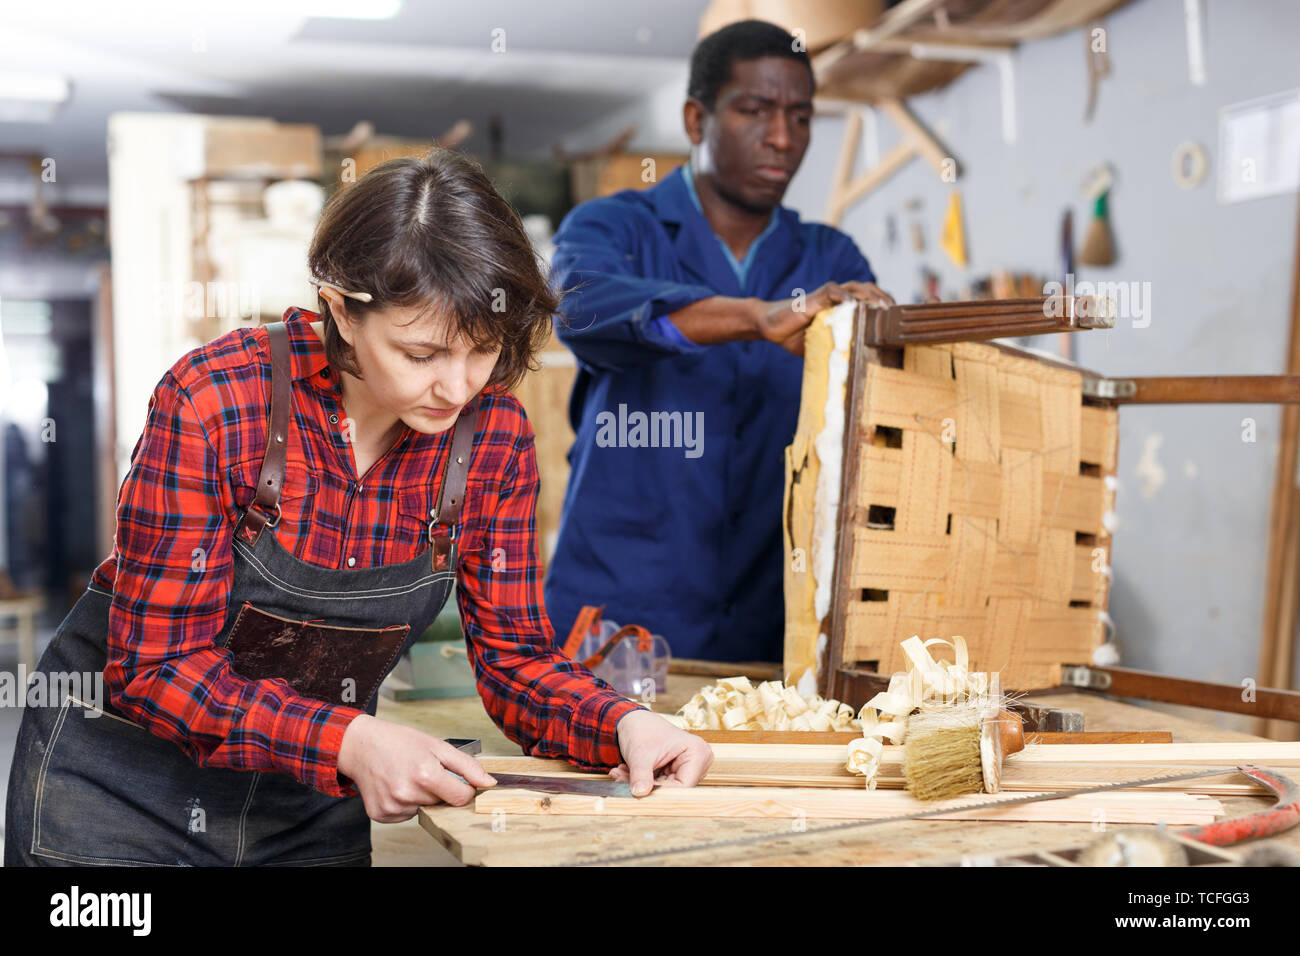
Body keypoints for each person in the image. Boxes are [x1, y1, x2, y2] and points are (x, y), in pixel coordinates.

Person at [5, 151, 711, 867]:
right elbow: (156, 667)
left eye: (484, 350)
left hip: (306, 813)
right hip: (120, 804)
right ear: (341, 307)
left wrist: (622, 724)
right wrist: (350, 740)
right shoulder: (217, 400)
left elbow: (515, 659)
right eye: (422, 352)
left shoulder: (492, 436)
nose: (458, 385)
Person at [544, 20, 895, 663]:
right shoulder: (615, 226)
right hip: (617, 617)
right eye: (755, 111)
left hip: (770, 622)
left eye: (801, 116)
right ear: (696, 119)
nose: (783, 138)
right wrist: (757, 317)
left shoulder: (830, 256)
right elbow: (581, 309)